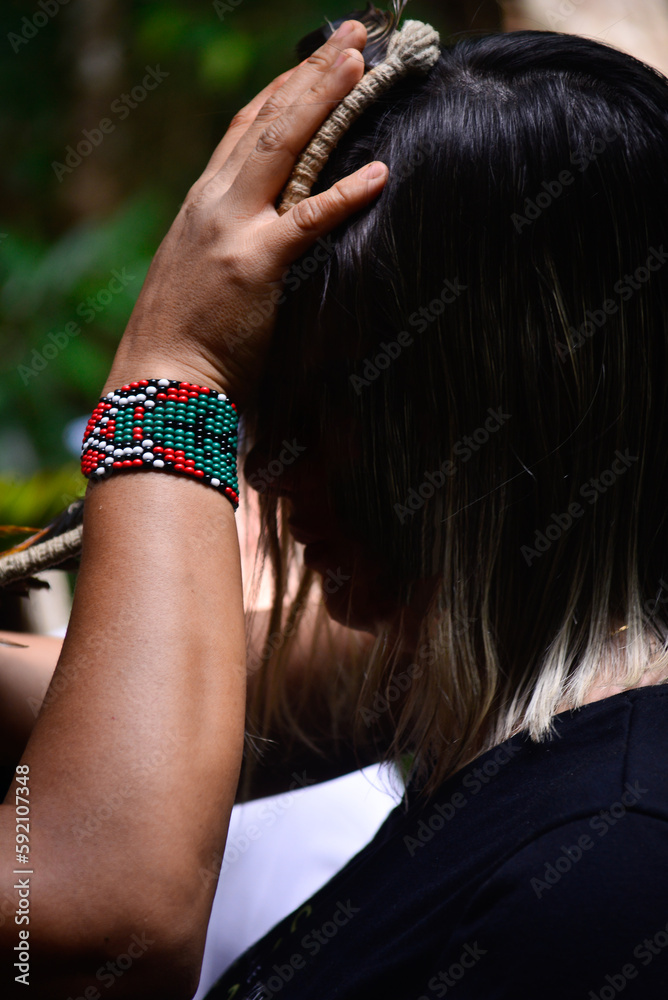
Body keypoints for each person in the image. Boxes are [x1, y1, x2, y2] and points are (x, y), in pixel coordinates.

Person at [2, 5, 668, 1000]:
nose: (266, 469)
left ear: (487, 423)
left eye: (325, 401)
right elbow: (100, 886)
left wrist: (179, 378)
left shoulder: (604, 865)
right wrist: (169, 375)